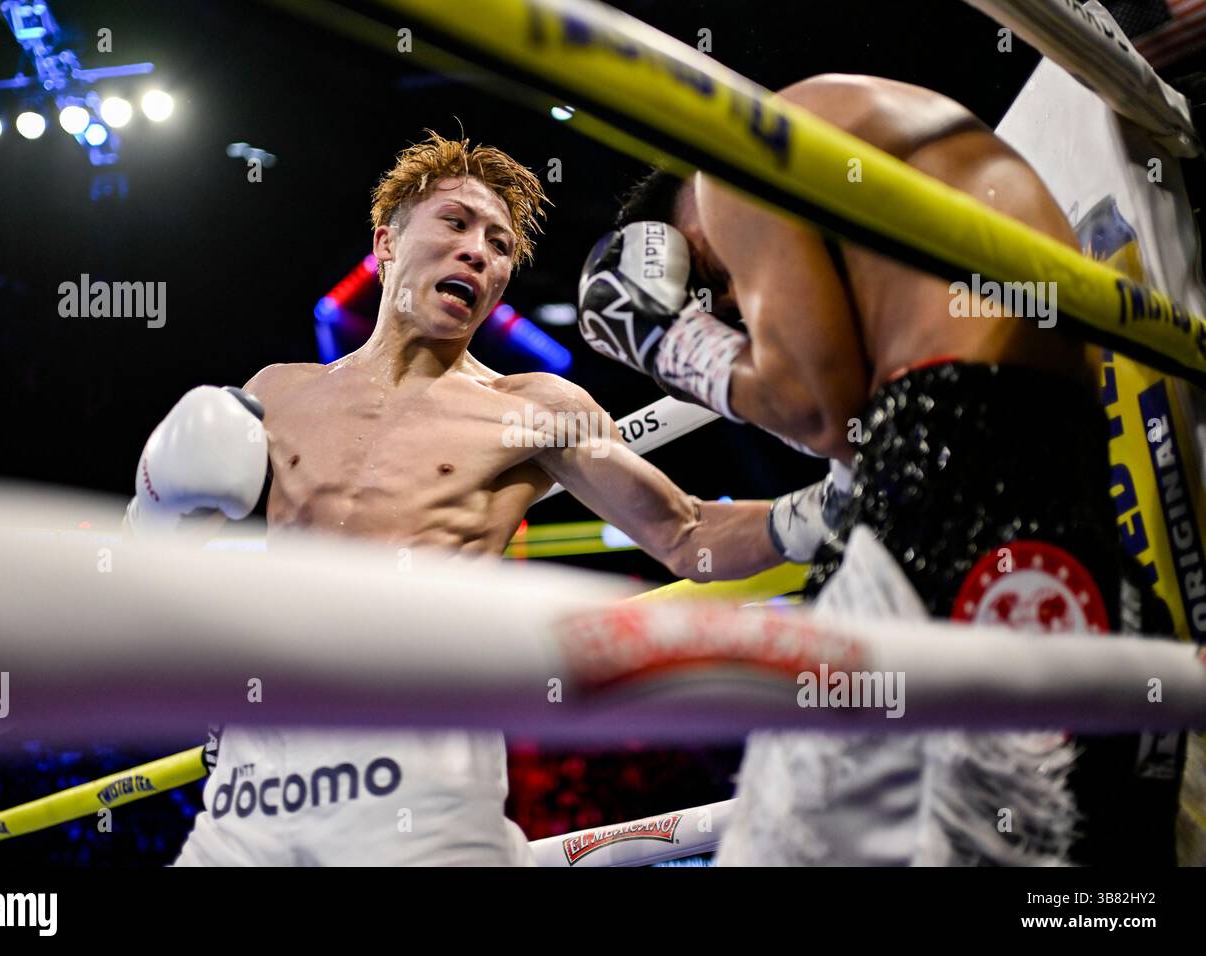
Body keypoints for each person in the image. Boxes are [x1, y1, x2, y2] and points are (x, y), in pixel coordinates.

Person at [125, 132, 836, 865]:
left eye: (499, 244)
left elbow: (685, 535)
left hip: (416, 776)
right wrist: (151, 500)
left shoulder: (530, 406)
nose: (479, 252)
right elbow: (150, 576)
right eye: (456, 223)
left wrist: (827, 509)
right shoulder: (277, 390)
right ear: (388, 241)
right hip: (253, 784)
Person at [578, 74, 1183, 864]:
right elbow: (869, 435)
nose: (736, 308)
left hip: (932, 528)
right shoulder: (892, 141)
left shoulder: (731, 161)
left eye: (715, 285)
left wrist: (666, 339)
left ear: (678, 222)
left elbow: (817, 409)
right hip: (1065, 522)